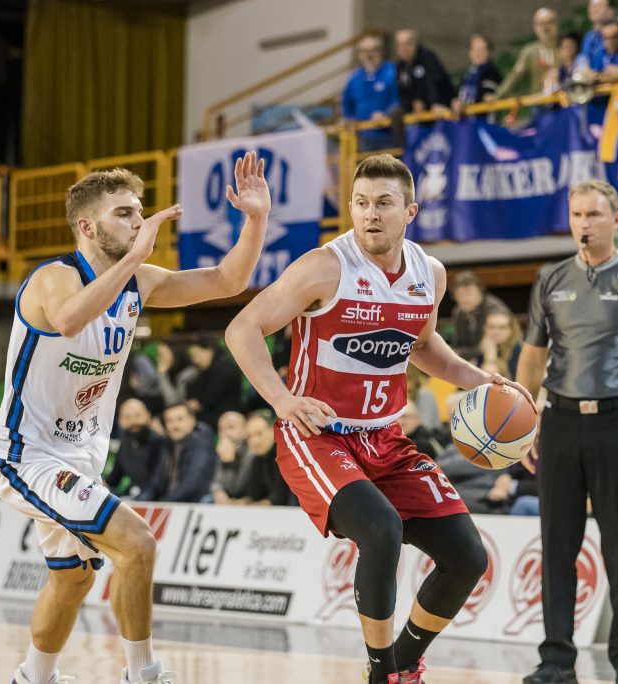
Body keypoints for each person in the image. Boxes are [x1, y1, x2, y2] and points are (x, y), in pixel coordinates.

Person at [225, 154, 533, 684]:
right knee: (382, 530)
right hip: (317, 436)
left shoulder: (428, 274)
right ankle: (380, 672)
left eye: (384, 204)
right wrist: (282, 401)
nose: (371, 214)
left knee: (468, 556)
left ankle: (406, 662)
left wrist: (481, 380)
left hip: (385, 438)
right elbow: (242, 330)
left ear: (408, 211)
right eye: (361, 204)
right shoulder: (322, 267)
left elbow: (424, 346)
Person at [0, 151, 270, 684]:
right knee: (138, 544)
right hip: (28, 453)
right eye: (124, 214)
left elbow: (228, 280)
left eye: (140, 213)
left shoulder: (140, 281)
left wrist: (255, 220)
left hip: (79, 455)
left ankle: (33, 676)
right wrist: (136, 257)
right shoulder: (54, 278)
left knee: (71, 581)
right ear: (86, 225)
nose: (139, 223)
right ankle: (144, 675)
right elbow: (71, 319)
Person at [517, 179, 618, 684]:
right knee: (557, 544)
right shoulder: (550, 279)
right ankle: (555, 661)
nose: (583, 224)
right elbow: (532, 356)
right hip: (561, 421)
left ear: (616, 219)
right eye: (576, 215)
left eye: (593, 214)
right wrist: (526, 424)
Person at [342, 32, 401, 152]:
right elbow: (346, 104)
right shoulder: (355, 78)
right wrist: (349, 118)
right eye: (365, 51)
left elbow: (399, 100)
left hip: (389, 134)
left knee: (389, 170)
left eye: (373, 50)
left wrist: (386, 114)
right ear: (359, 54)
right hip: (365, 137)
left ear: (380, 51)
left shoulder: (392, 71)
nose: (369, 54)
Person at [105, 399, 170, 500]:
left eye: (137, 416)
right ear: (120, 422)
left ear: (148, 417)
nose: (133, 421)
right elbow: (114, 478)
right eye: (127, 417)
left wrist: (137, 503)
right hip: (132, 495)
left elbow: (157, 484)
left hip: (157, 500)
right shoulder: (124, 444)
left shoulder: (160, 444)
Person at [495, 8, 560, 99]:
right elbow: (515, 74)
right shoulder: (530, 51)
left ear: (556, 24)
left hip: (565, 102)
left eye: (549, 22)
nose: (545, 27)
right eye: (541, 24)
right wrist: (497, 95)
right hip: (540, 103)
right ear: (535, 27)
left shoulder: (566, 47)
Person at [449, 270, 510, 360]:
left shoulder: (495, 311)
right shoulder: (458, 313)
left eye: (470, 293)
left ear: (480, 292)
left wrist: (460, 353)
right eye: (461, 294)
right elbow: (459, 344)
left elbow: (495, 344)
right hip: (473, 359)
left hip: (499, 358)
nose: (466, 299)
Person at [394, 30, 456, 113]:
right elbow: (403, 91)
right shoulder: (400, 66)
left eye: (407, 44)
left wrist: (434, 102)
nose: (404, 49)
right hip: (417, 113)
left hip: (442, 107)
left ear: (415, 43)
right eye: (400, 45)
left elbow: (433, 82)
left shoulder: (427, 58)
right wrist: (413, 103)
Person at [453, 34, 502, 113]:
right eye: (475, 50)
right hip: (464, 120)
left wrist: (465, 105)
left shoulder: (491, 71)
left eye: (482, 50)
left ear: (488, 52)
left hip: (482, 121)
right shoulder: (468, 73)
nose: (478, 53)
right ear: (470, 52)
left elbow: (487, 95)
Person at [476, 309, 523, 381]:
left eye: (502, 327)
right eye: (492, 327)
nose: (496, 332)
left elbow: (510, 384)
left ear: (511, 330)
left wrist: (490, 359)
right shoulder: (485, 348)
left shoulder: (520, 350)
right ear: (485, 329)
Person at [578, 0, 616, 71]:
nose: (594, 10)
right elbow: (583, 61)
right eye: (591, 6)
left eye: (599, 6)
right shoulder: (588, 37)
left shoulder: (616, 35)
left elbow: (617, 69)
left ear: (610, 11)